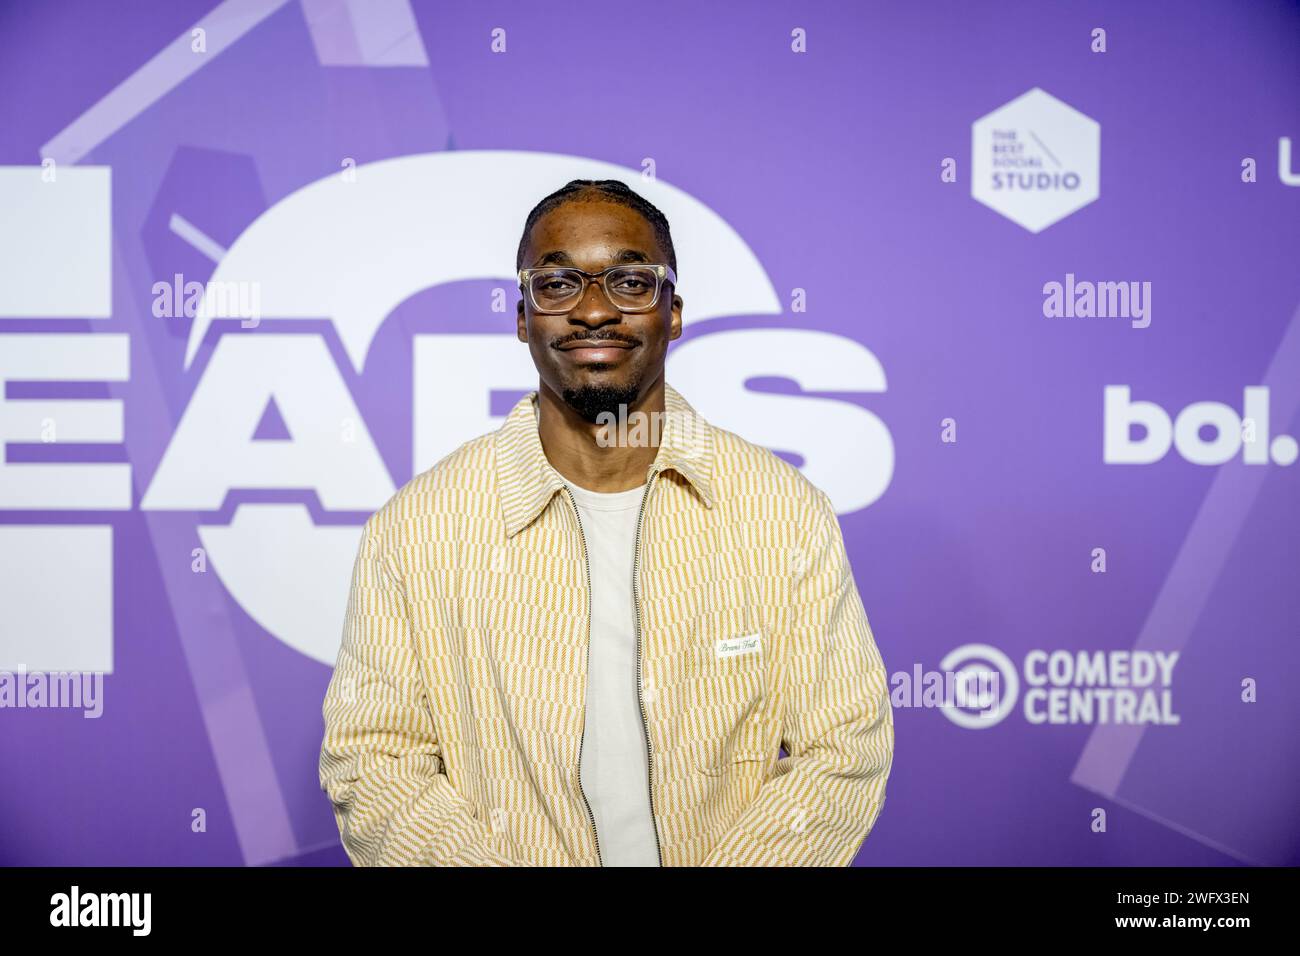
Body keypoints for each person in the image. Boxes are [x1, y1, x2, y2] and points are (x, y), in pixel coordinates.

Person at [319, 178, 894, 866]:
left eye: (629, 281)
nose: (594, 310)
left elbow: (844, 746)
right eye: (558, 283)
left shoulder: (782, 512)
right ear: (522, 316)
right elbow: (373, 761)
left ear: (673, 312)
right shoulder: (416, 529)